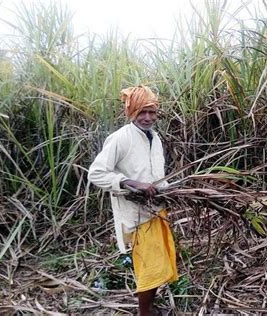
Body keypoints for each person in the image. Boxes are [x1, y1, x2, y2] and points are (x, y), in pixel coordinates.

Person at [88, 85, 178, 315]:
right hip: (135, 216)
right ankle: (144, 313)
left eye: (152, 112)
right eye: (142, 112)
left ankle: (149, 308)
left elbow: (156, 176)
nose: (148, 118)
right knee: (149, 268)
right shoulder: (120, 139)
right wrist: (129, 182)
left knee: (157, 265)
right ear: (132, 113)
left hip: (156, 211)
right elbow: (96, 173)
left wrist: (171, 191)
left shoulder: (155, 138)